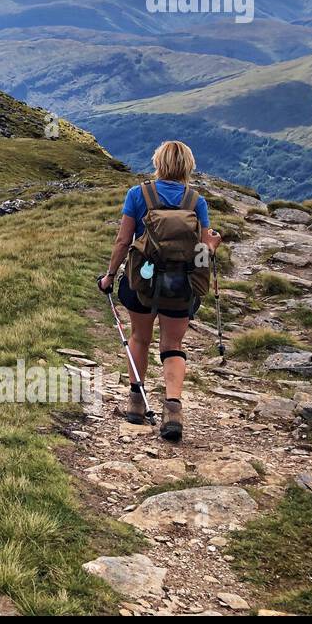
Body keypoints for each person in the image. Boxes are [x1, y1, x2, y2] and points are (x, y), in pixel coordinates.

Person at [97, 141, 222, 441]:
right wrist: (213, 246)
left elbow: (123, 241)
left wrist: (110, 275)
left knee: (140, 338)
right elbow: (202, 252)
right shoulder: (196, 201)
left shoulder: (138, 194)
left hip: (141, 281)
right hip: (180, 286)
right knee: (172, 345)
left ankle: (136, 405)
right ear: (187, 166)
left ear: (158, 163)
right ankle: (173, 410)